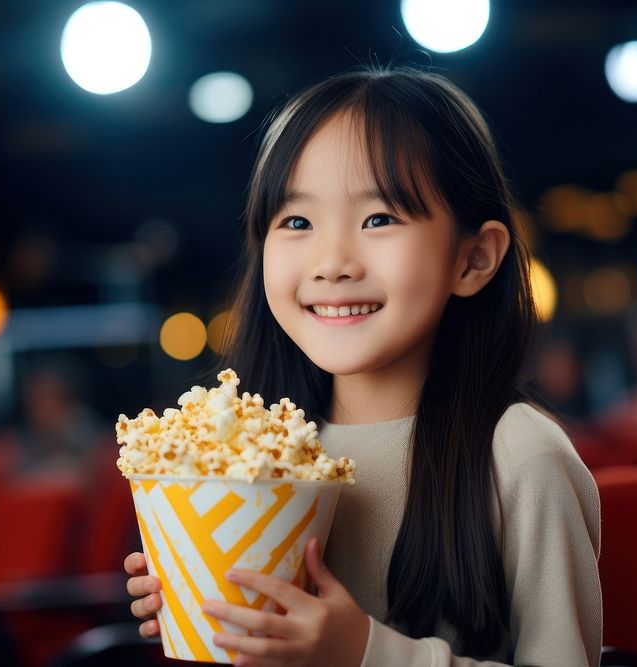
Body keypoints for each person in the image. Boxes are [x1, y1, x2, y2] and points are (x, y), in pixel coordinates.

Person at [123, 64, 602, 666]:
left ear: (473, 259)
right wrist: (197, 594)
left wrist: (365, 652)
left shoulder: (521, 457)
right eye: (297, 222)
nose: (332, 262)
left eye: (379, 219)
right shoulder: (258, 460)